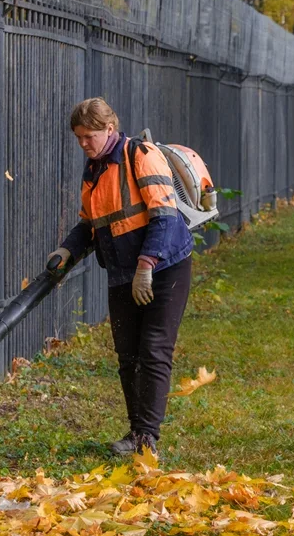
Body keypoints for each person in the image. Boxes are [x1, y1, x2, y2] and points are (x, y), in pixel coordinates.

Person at [49, 98, 193, 456]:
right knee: (128, 356)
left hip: (164, 266)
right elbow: (91, 223)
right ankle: (135, 433)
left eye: (89, 136)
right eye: (79, 137)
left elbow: (163, 214)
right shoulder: (94, 169)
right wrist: (66, 250)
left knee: (155, 350)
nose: (83, 143)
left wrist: (146, 266)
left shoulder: (140, 156)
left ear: (109, 130)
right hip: (122, 271)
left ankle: (147, 438)